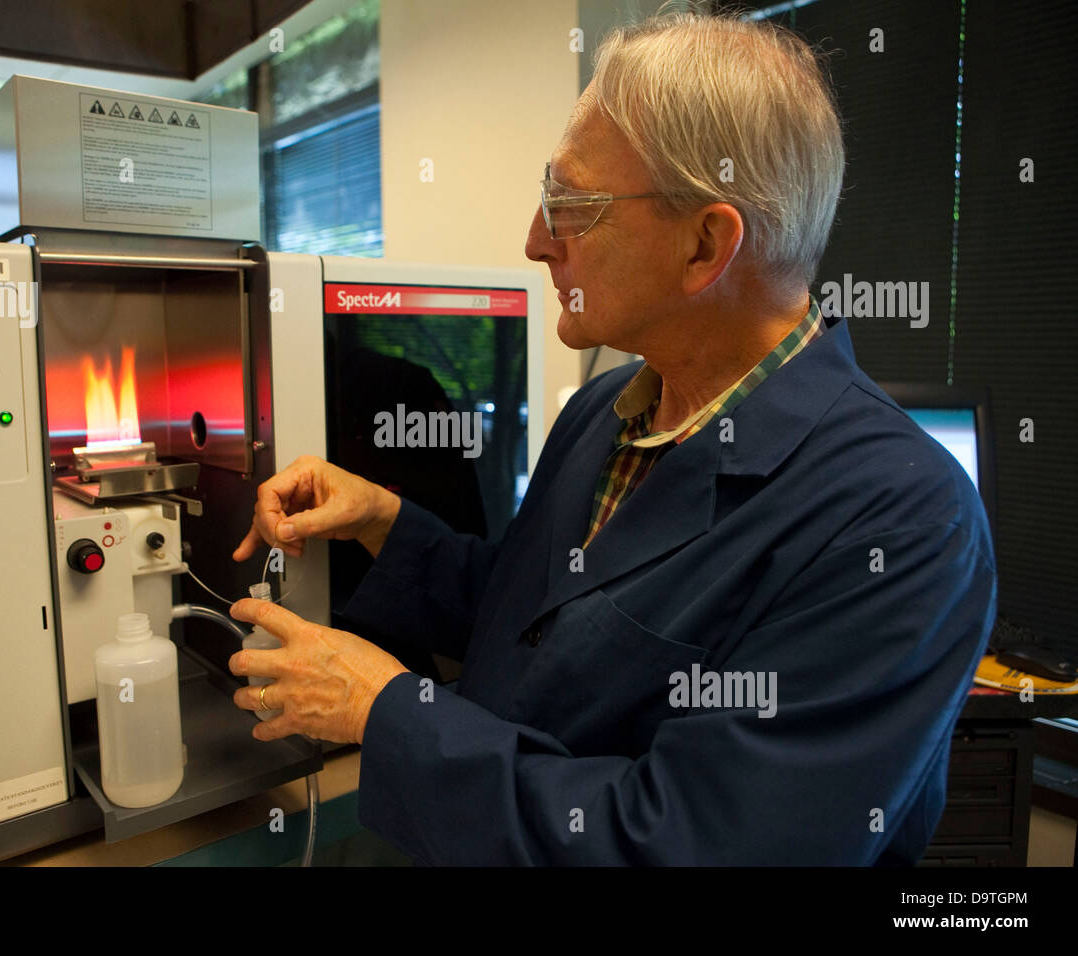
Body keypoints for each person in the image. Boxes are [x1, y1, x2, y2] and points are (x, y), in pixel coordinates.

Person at [228, 12, 996, 864]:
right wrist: (381, 521)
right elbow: (537, 625)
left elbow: (687, 844)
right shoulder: (608, 412)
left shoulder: (900, 523)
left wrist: (385, 710)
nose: (535, 240)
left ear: (706, 245)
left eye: (572, 205)